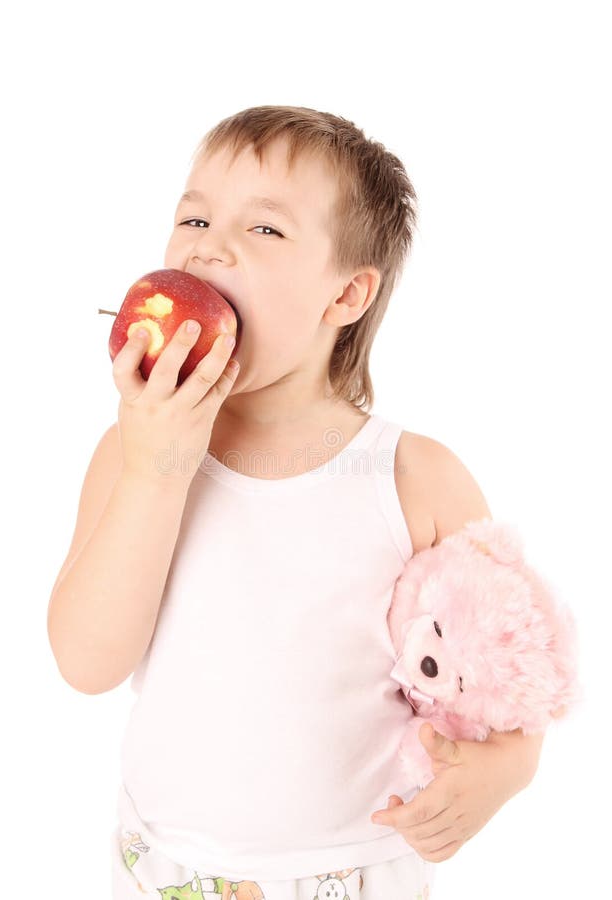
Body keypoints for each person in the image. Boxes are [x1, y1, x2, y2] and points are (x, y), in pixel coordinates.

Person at [47, 105, 545, 899]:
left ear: (346, 295)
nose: (209, 244)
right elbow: (86, 663)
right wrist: (155, 471)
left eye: (265, 230)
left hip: (349, 871)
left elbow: (515, 675)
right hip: (166, 866)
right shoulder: (131, 453)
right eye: (196, 216)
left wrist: (509, 768)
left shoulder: (415, 478)